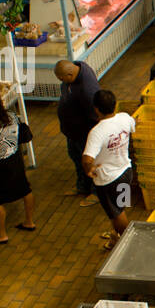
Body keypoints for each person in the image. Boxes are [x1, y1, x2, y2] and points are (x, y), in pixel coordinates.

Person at [82, 88, 135, 248]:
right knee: (122, 207)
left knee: (116, 213)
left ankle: (128, 242)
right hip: (126, 171)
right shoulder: (125, 118)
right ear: (115, 105)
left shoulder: (97, 132)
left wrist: (88, 170)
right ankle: (115, 235)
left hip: (108, 180)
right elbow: (133, 124)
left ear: (96, 109)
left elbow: (87, 158)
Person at [0, 85, 34, 246]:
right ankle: (29, 221)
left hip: (2, 163)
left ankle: (1, 234)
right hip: (16, 158)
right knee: (25, 189)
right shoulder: (11, 115)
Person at [54, 59, 100, 206]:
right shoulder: (77, 65)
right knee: (75, 156)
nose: (62, 82)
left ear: (70, 74)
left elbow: (95, 115)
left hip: (83, 132)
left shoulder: (87, 90)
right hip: (72, 131)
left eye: (62, 79)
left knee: (89, 162)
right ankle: (82, 187)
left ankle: (96, 192)